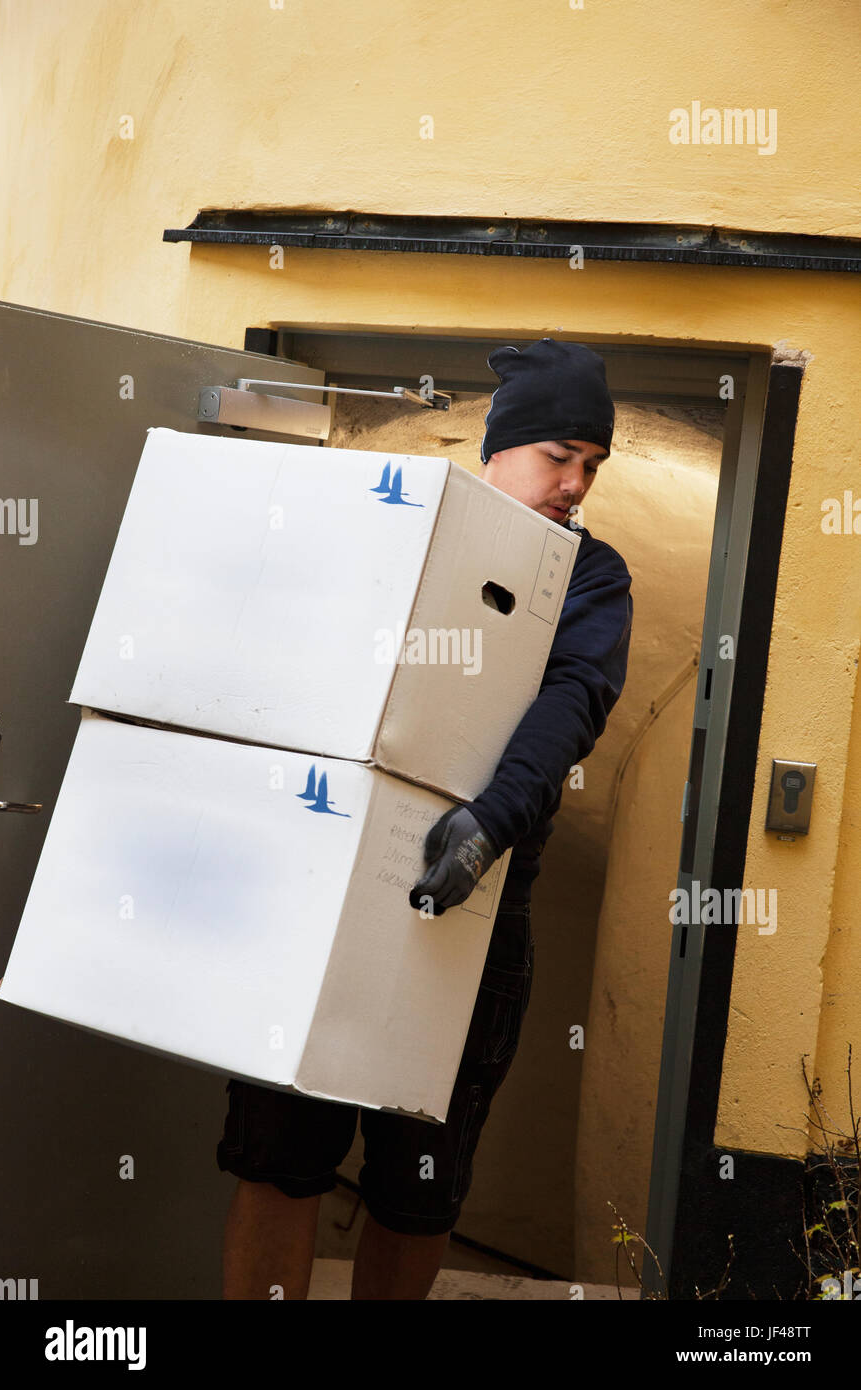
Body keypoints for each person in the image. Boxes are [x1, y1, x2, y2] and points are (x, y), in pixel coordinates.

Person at [216, 337, 633, 1300]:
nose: (576, 484)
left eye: (594, 466)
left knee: (419, 1187)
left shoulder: (590, 578)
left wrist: (491, 822)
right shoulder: (402, 528)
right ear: (503, 447)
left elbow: (570, 702)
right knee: (278, 1158)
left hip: (475, 921)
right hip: (321, 894)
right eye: (559, 456)